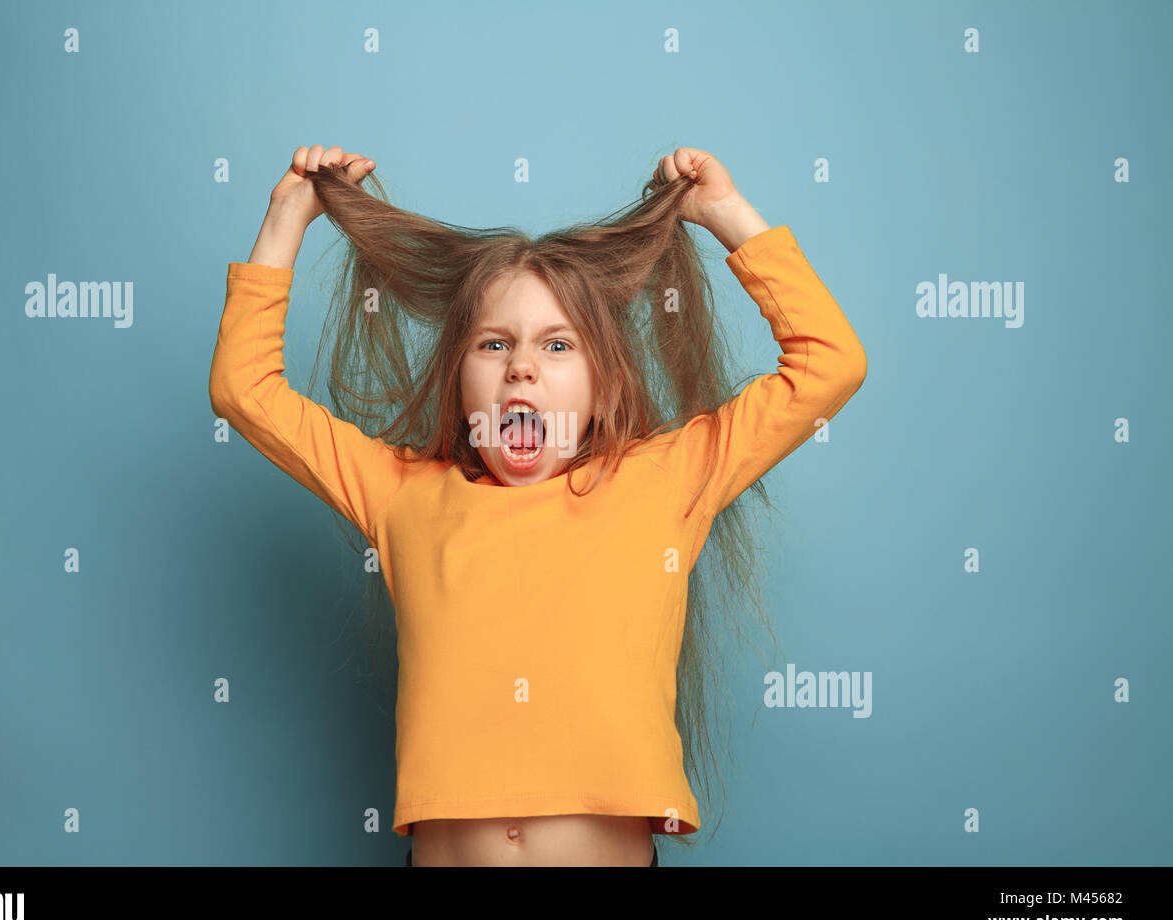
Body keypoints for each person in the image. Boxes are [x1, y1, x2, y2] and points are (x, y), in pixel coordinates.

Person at [209, 144, 867, 866]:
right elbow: (245, 390)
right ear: (460, 383)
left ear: (605, 385)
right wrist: (287, 217)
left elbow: (829, 361)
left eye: (558, 346)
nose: (521, 365)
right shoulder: (401, 493)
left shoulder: (665, 481)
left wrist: (723, 214)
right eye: (494, 344)